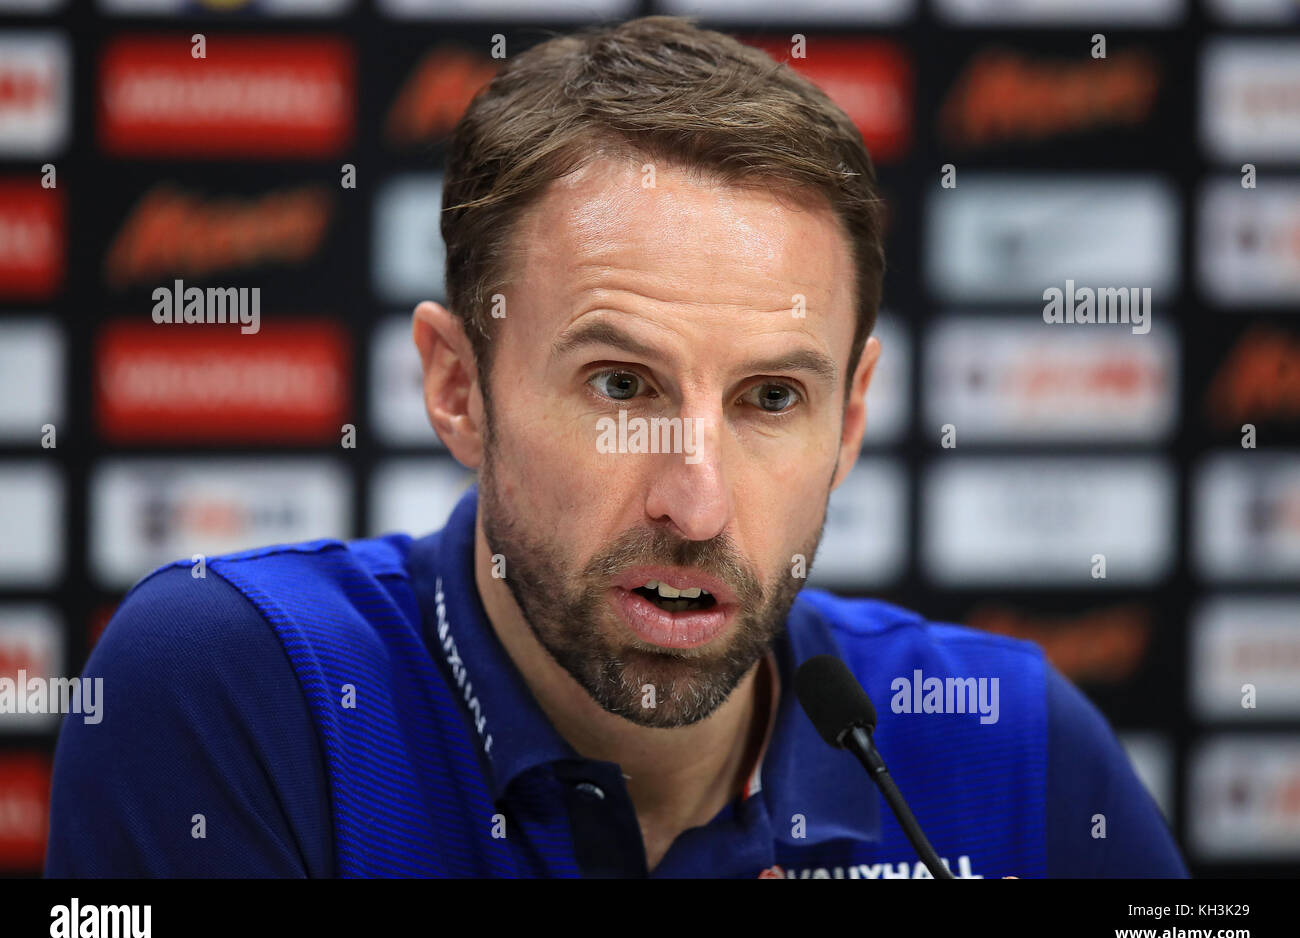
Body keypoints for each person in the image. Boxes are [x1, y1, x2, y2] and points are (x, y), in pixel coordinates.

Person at [45, 16, 1186, 878]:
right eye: (621, 383)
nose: (695, 504)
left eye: (770, 397)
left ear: (849, 420)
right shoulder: (243, 684)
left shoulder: (1009, 746)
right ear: (458, 388)